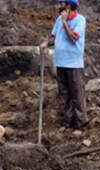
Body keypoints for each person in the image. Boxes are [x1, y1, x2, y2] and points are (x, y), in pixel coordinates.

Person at [40, 0, 88, 132]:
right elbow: (53, 37)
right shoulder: (59, 20)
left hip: (74, 64)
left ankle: (80, 124)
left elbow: (74, 38)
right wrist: (46, 43)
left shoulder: (80, 20)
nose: (58, 6)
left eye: (61, 3)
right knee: (64, 93)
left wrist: (65, 22)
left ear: (68, 5)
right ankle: (67, 122)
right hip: (60, 62)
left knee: (77, 94)